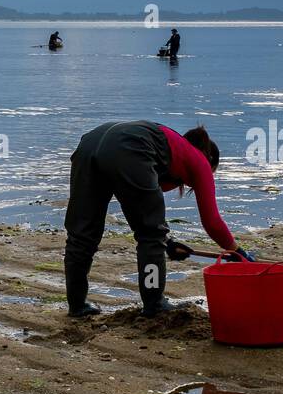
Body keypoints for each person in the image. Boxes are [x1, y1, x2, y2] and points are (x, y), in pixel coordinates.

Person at [63, 120, 251, 318]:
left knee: (81, 233)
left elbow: (137, 207)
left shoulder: (170, 147)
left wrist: (167, 243)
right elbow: (212, 222)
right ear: (209, 158)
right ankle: (154, 303)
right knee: (150, 237)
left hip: (90, 144)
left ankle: (77, 305)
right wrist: (237, 251)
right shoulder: (199, 159)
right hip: (129, 146)